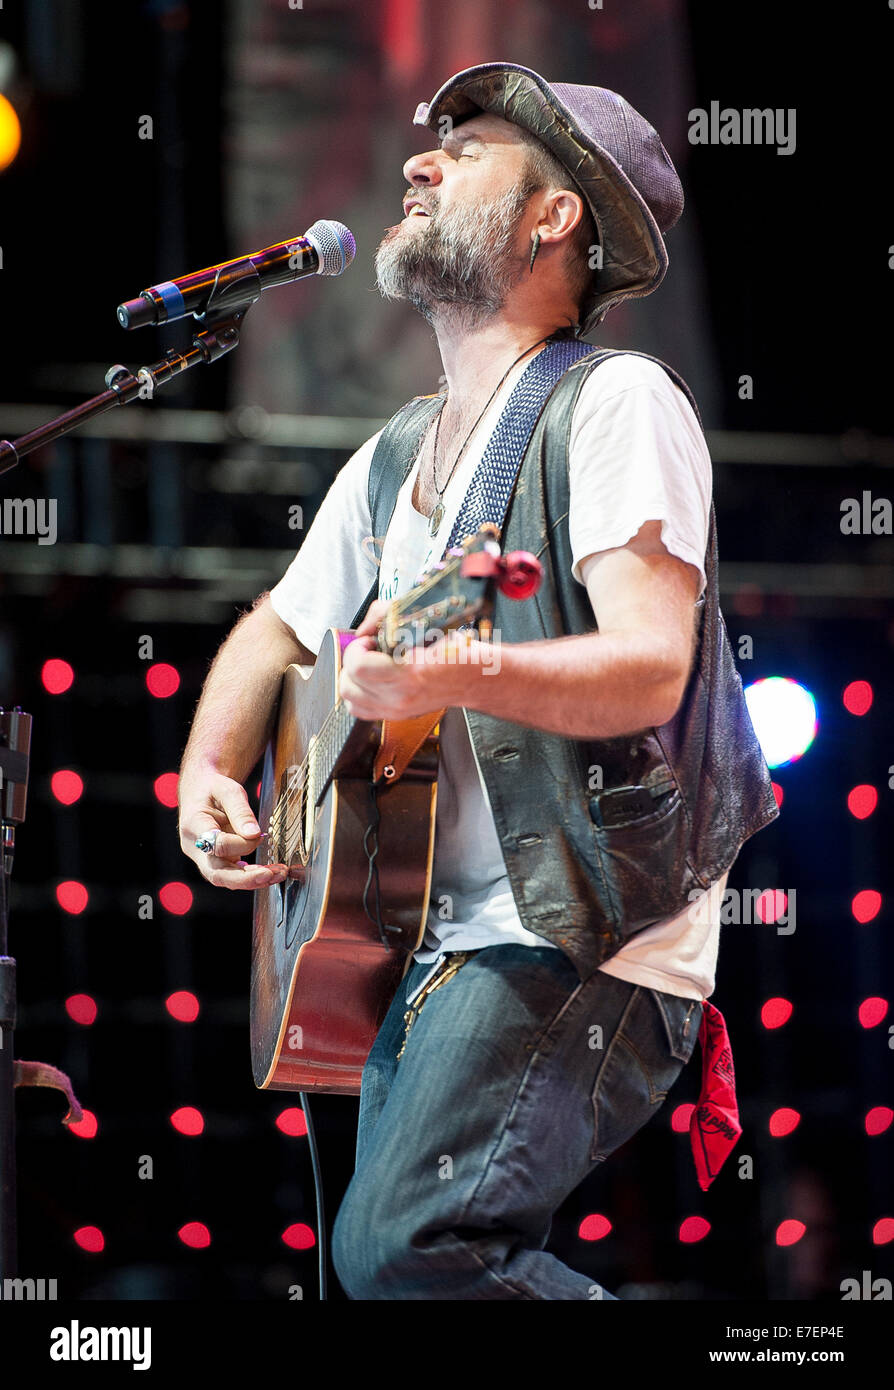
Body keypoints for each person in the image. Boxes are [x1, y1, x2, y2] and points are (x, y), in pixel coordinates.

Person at [178, 62, 778, 1300]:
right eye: (429, 147)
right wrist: (204, 773)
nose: (418, 163)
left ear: (554, 216)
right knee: (394, 1276)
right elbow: (280, 634)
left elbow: (650, 669)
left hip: (584, 929)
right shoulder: (396, 450)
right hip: (440, 944)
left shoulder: (615, 405)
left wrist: (460, 667)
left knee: (401, 1250)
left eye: (468, 152)